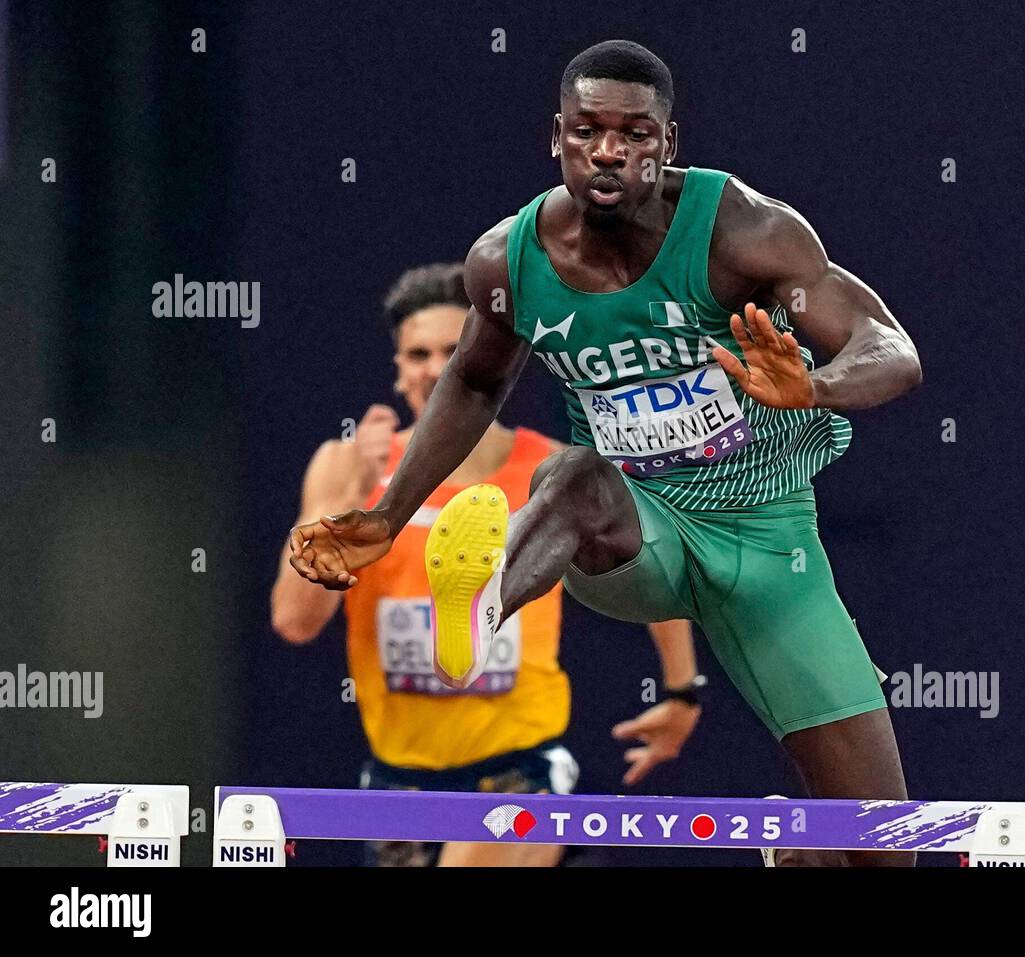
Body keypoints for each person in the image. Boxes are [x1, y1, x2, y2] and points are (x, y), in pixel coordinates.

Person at [289, 40, 923, 867]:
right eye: (588, 130)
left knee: (884, 851)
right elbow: (475, 383)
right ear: (557, 138)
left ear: (667, 143)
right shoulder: (506, 260)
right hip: (640, 528)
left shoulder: (742, 230)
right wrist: (387, 513)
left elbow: (892, 348)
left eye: (634, 132)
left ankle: (800, 855)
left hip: (773, 549)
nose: (610, 149)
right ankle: (479, 609)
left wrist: (818, 388)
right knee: (572, 475)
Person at [272, 262, 700, 867]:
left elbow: (653, 578)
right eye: (417, 353)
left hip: (520, 770)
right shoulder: (347, 467)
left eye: (453, 351)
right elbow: (296, 620)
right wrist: (350, 498)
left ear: (488, 366)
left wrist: (683, 691)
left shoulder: (553, 474)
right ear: (398, 370)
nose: (433, 368)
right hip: (399, 785)